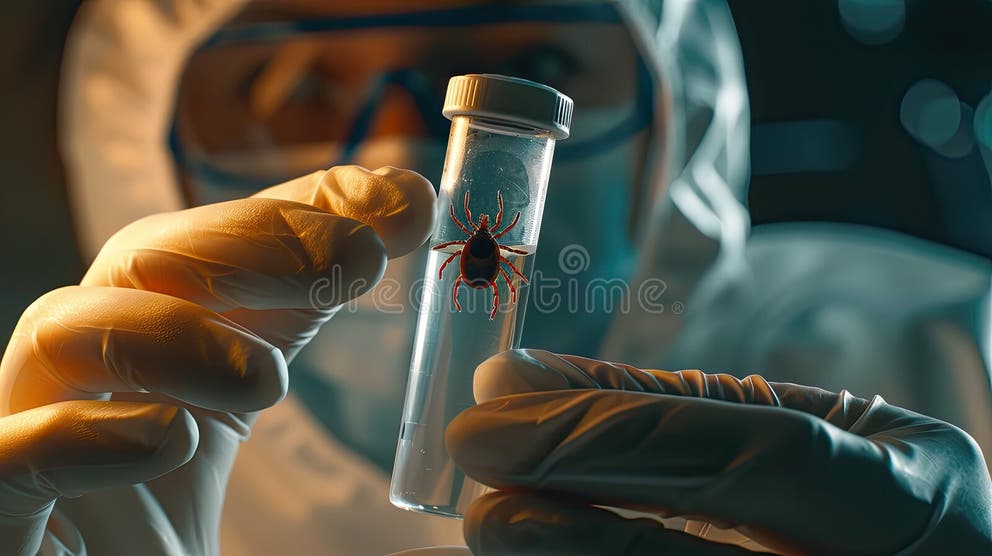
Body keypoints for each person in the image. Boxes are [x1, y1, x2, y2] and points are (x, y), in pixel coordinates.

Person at [0, 0, 988, 554]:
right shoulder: (57, 472)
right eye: (297, 88)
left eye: (541, 55)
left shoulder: (952, 356)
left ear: (680, 109)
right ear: (133, 145)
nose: (407, 147)